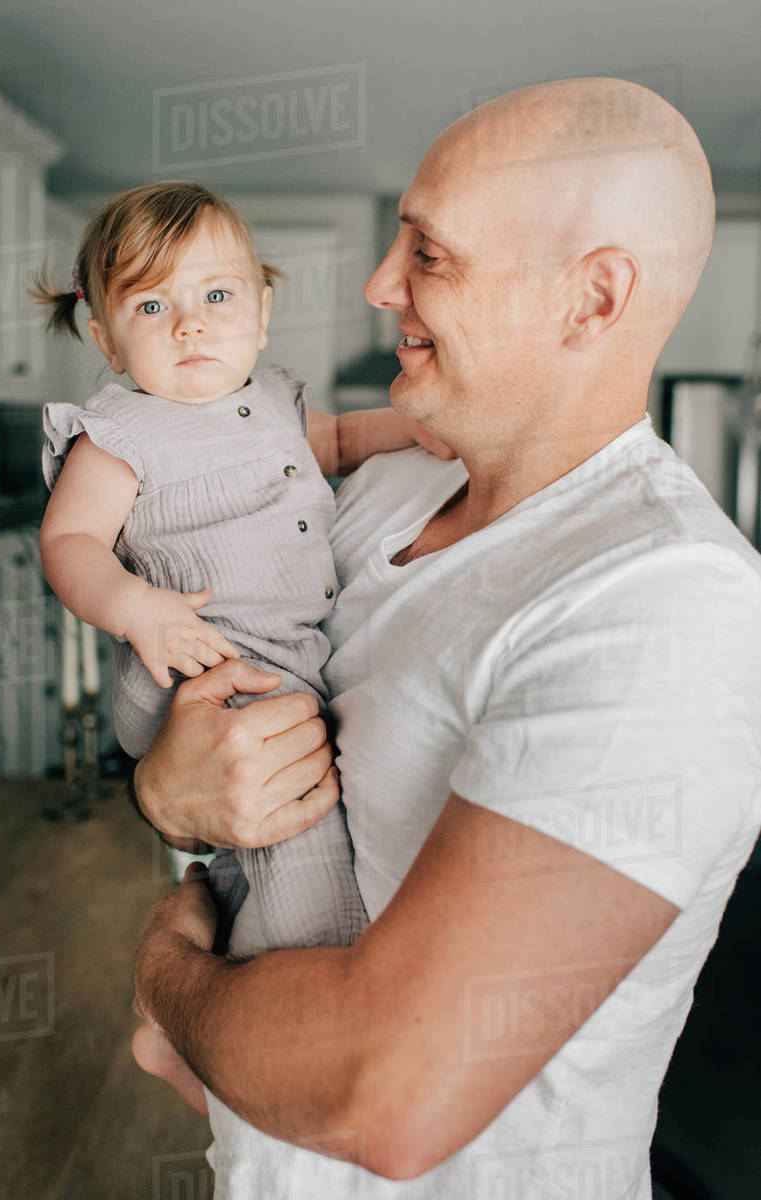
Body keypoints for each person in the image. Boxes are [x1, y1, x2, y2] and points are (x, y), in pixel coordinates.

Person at [130, 78, 761, 1198]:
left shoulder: (670, 600)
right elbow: (222, 777)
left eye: (429, 253)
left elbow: (390, 1093)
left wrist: (165, 974)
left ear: (593, 298)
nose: (382, 287)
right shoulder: (381, 493)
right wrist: (168, 798)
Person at [36, 181, 452, 1109]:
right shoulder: (119, 431)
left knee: (247, 851)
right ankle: (300, 991)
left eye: (215, 296)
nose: (188, 325)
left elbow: (339, 438)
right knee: (302, 828)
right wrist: (138, 609)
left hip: (280, 656)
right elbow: (68, 545)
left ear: (261, 315)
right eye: (151, 305)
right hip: (204, 665)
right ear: (105, 339)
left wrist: (425, 430)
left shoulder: (273, 402)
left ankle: (202, 1022)